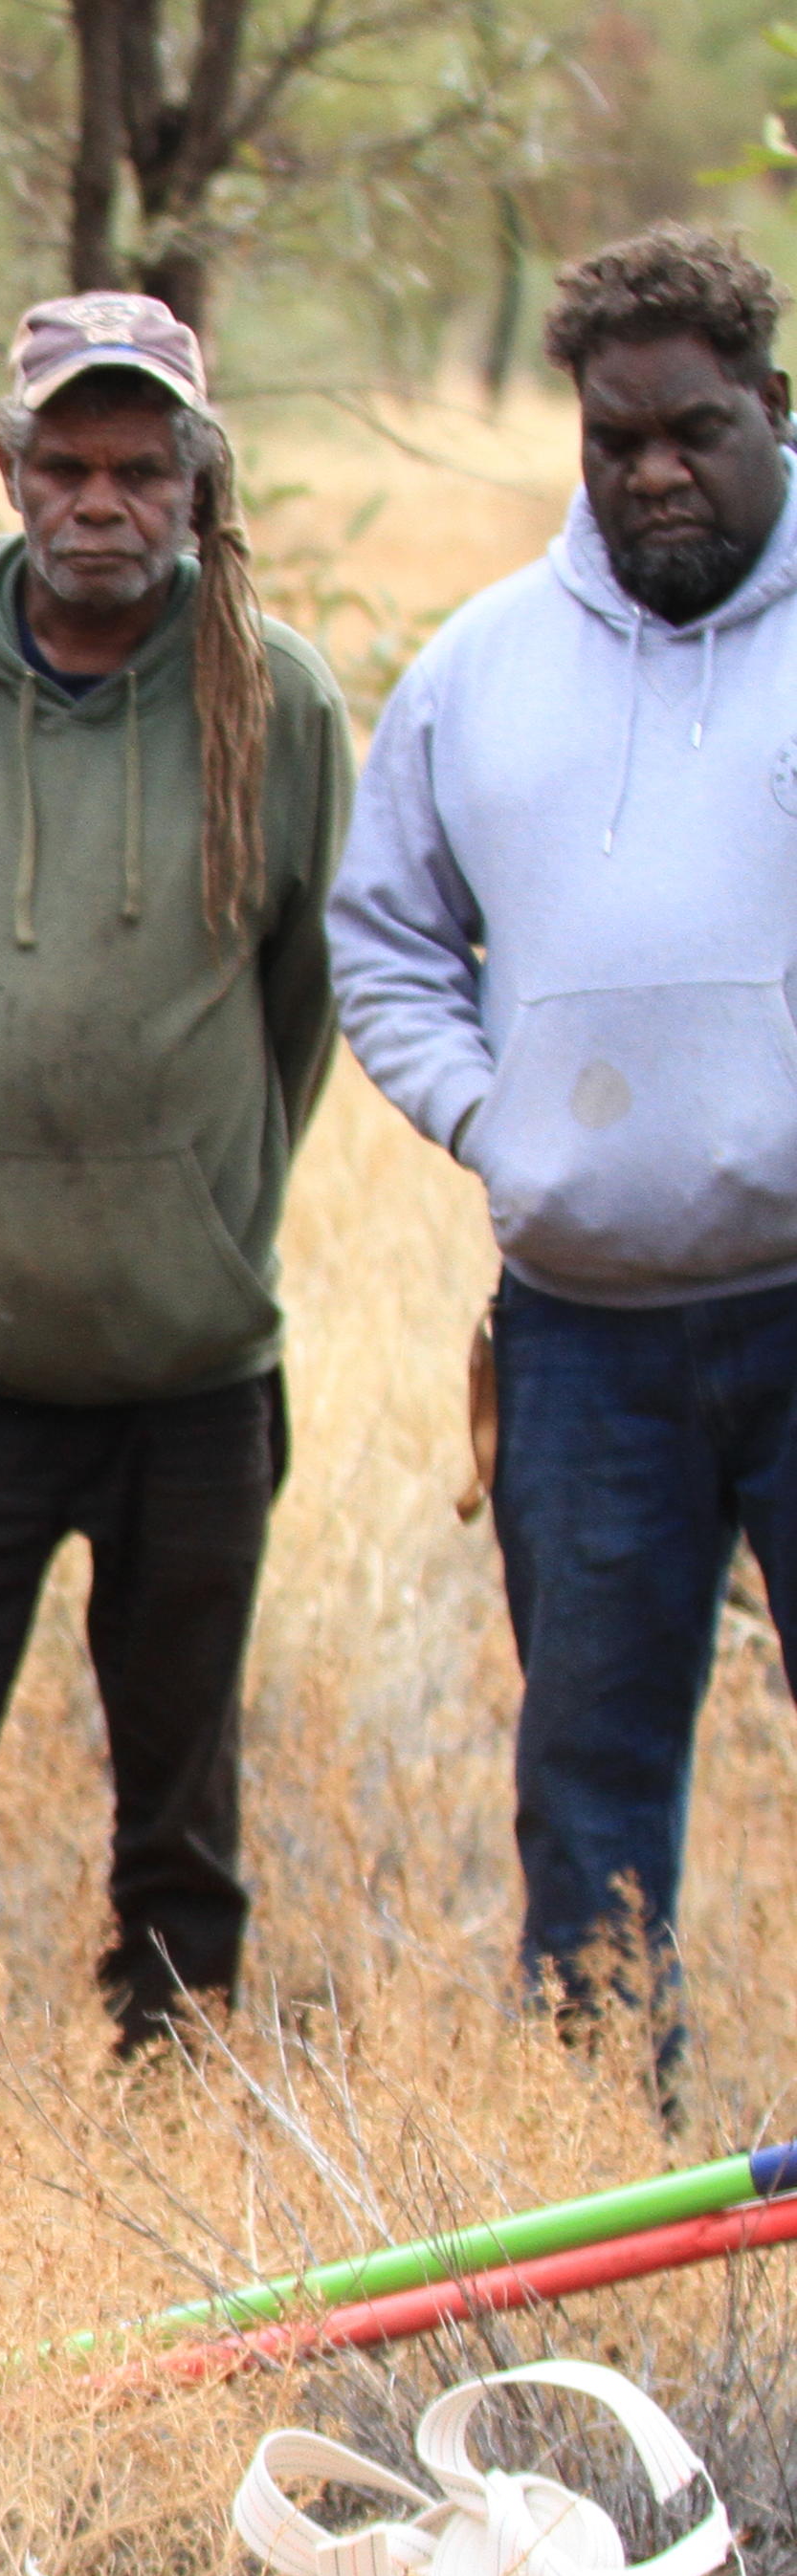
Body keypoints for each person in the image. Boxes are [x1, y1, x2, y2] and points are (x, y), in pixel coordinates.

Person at [0, 295, 353, 2049]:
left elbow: (302, 1001)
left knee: (180, 1769)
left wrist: (201, 1201)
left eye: (142, 467)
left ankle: (174, 2047)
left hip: (188, 1357)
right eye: (69, 465)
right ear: (10, 470)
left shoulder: (280, 687)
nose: (103, 500)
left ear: (195, 481)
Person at [333, 224, 797, 2043]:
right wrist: (488, 1116)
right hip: (584, 1332)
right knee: (589, 1777)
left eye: (693, 428)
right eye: (616, 440)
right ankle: (605, 2130)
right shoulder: (481, 668)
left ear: (772, 403)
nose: (654, 471)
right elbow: (382, 932)